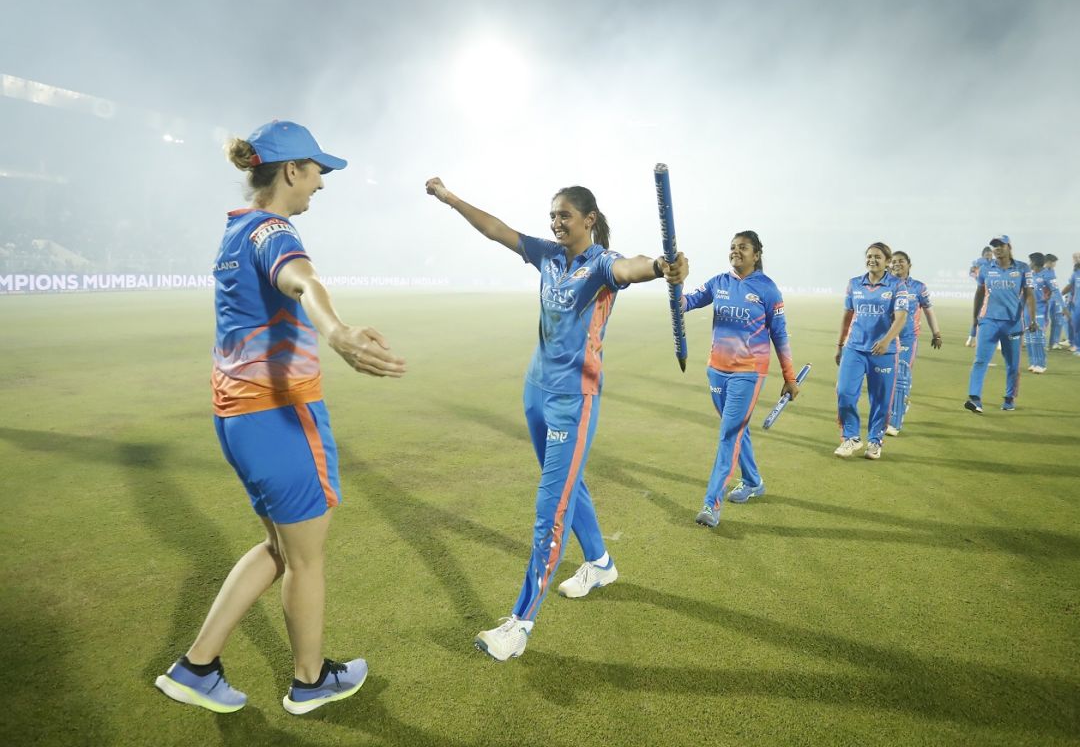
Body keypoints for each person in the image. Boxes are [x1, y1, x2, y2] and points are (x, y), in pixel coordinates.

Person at [155, 121, 406, 715]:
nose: (321, 183)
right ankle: (310, 681)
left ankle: (197, 666)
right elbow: (302, 279)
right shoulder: (272, 230)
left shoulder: (236, 229)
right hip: (280, 416)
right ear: (290, 170)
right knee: (305, 559)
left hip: (240, 418)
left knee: (278, 547)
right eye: (316, 170)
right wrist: (338, 330)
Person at [424, 177, 687, 662]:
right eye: (552, 216)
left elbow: (631, 268)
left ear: (589, 219)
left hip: (573, 399)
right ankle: (601, 563)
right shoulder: (548, 255)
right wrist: (451, 198)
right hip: (535, 391)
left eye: (564, 215)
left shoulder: (602, 265)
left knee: (551, 508)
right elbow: (498, 231)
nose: (556, 222)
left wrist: (659, 267)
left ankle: (519, 625)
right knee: (569, 482)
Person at [681, 231, 801, 528]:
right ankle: (753, 480)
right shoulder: (718, 282)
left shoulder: (767, 289)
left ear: (756, 254)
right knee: (736, 429)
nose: (736, 252)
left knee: (728, 435)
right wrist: (674, 283)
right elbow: (686, 303)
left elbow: (780, 335)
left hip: (748, 371)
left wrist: (789, 376)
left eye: (743, 248)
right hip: (716, 370)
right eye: (733, 248)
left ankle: (711, 504)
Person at [834, 242, 909, 460]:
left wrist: (886, 341)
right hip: (855, 348)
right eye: (869, 256)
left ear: (887, 261)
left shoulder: (897, 285)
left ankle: (875, 442)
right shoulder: (854, 284)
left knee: (881, 400)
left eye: (877, 256)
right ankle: (851, 438)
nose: (872, 260)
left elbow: (901, 316)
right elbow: (847, 316)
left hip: (883, 352)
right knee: (845, 393)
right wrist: (840, 345)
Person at [965, 235, 1037, 413]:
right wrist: (975, 319)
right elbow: (979, 294)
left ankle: (1009, 398)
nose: (997, 248)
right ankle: (974, 399)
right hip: (988, 321)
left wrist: (1033, 319)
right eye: (994, 246)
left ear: (1009, 247)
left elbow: (1029, 294)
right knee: (980, 360)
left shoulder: (1022, 268)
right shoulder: (985, 268)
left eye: (1000, 245)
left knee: (1012, 364)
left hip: (1013, 324)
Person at [885, 251, 942, 436]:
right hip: (885, 338)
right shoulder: (883, 284)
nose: (896, 264)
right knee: (886, 379)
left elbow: (928, 309)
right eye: (893, 261)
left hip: (908, 338)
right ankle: (900, 405)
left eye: (901, 261)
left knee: (901, 377)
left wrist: (936, 332)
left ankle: (894, 422)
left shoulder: (918, 287)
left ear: (909, 264)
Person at [1025, 252, 1049, 373]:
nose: (1029, 263)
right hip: (1026, 309)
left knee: (1037, 336)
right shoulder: (1029, 275)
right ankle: (1033, 362)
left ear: (1035, 262)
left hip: (1039, 308)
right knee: (1029, 338)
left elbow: (1053, 291)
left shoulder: (1047, 275)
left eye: (1031, 261)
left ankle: (1041, 364)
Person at [965, 246, 993, 347]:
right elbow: (971, 273)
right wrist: (977, 277)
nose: (989, 255)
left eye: (990, 253)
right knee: (977, 317)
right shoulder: (979, 262)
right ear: (983, 254)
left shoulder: (995, 263)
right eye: (987, 253)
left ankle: (993, 341)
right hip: (981, 291)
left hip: (992, 292)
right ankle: (971, 339)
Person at [1044, 253, 1069, 349]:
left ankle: (1054, 342)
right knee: (1044, 321)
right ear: (1049, 262)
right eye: (1054, 262)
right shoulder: (1041, 271)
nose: (1055, 265)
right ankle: (1042, 343)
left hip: (1054, 298)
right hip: (1045, 300)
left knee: (1058, 320)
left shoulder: (1052, 271)